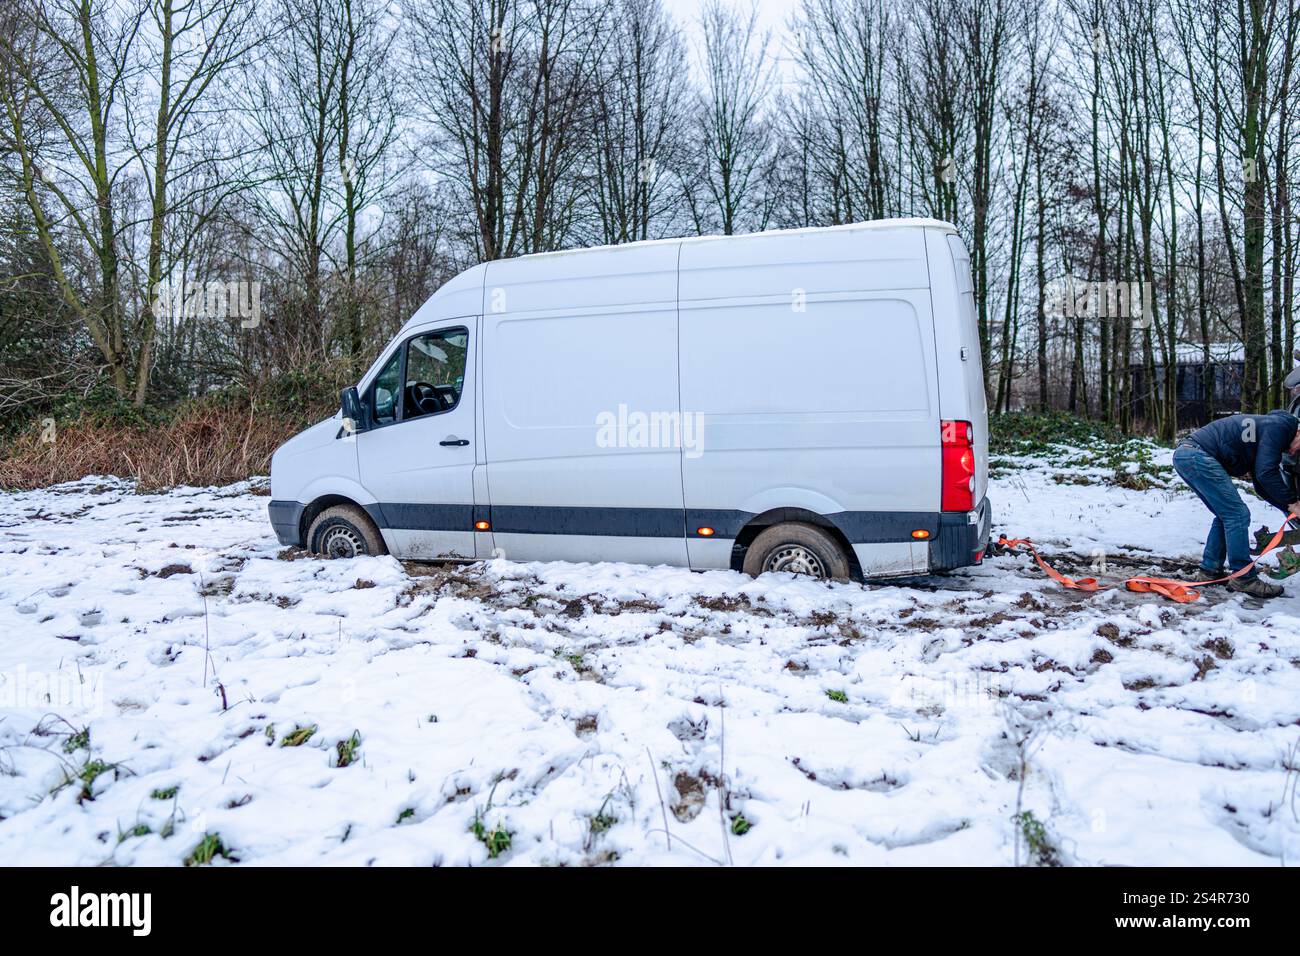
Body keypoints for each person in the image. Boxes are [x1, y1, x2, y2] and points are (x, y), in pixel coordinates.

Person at [1172, 410, 1300, 599]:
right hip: (1197, 455)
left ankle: (1210, 570)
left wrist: (1288, 507)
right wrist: (1291, 501)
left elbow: (1261, 483)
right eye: (1299, 448)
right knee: (1237, 514)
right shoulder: (1281, 428)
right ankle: (1243, 578)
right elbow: (1266, 473)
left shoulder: (1272, 428)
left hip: (1188, 454)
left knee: (1226, 514)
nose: (1294, 453)